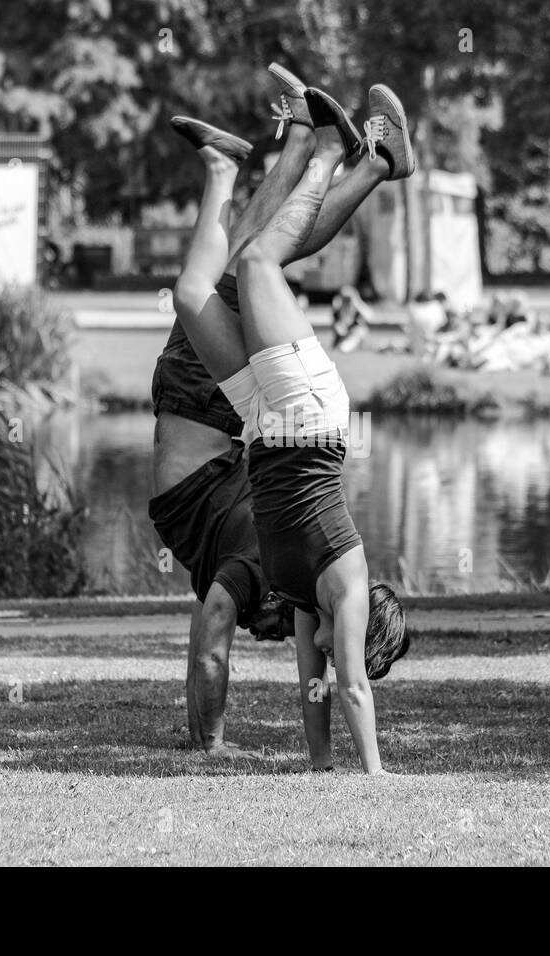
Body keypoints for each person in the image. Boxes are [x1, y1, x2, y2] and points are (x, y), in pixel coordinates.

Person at [170, 75, 412, 775]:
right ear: (361, 633)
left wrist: (319, 769)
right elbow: (353, 692)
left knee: (192, 296)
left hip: (259, 425)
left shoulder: (311, 604)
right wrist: (374, 779)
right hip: (306, 415)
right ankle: (336, 151)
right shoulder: (344, 587)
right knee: (258, 263)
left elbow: (314, 691)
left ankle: (258, 165)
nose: (328, 658)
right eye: (344, 651)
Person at [146, 66, 309, 759]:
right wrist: (209, 742)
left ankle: (230, 165)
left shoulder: (258, 561)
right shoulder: (251, 573)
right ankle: (318, 153)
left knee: (244, 260)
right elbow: (213, 636)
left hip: (203, 406)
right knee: (249, 262)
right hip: (204, 401)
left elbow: (209, 629)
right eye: (268, 628)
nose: (258, 631)